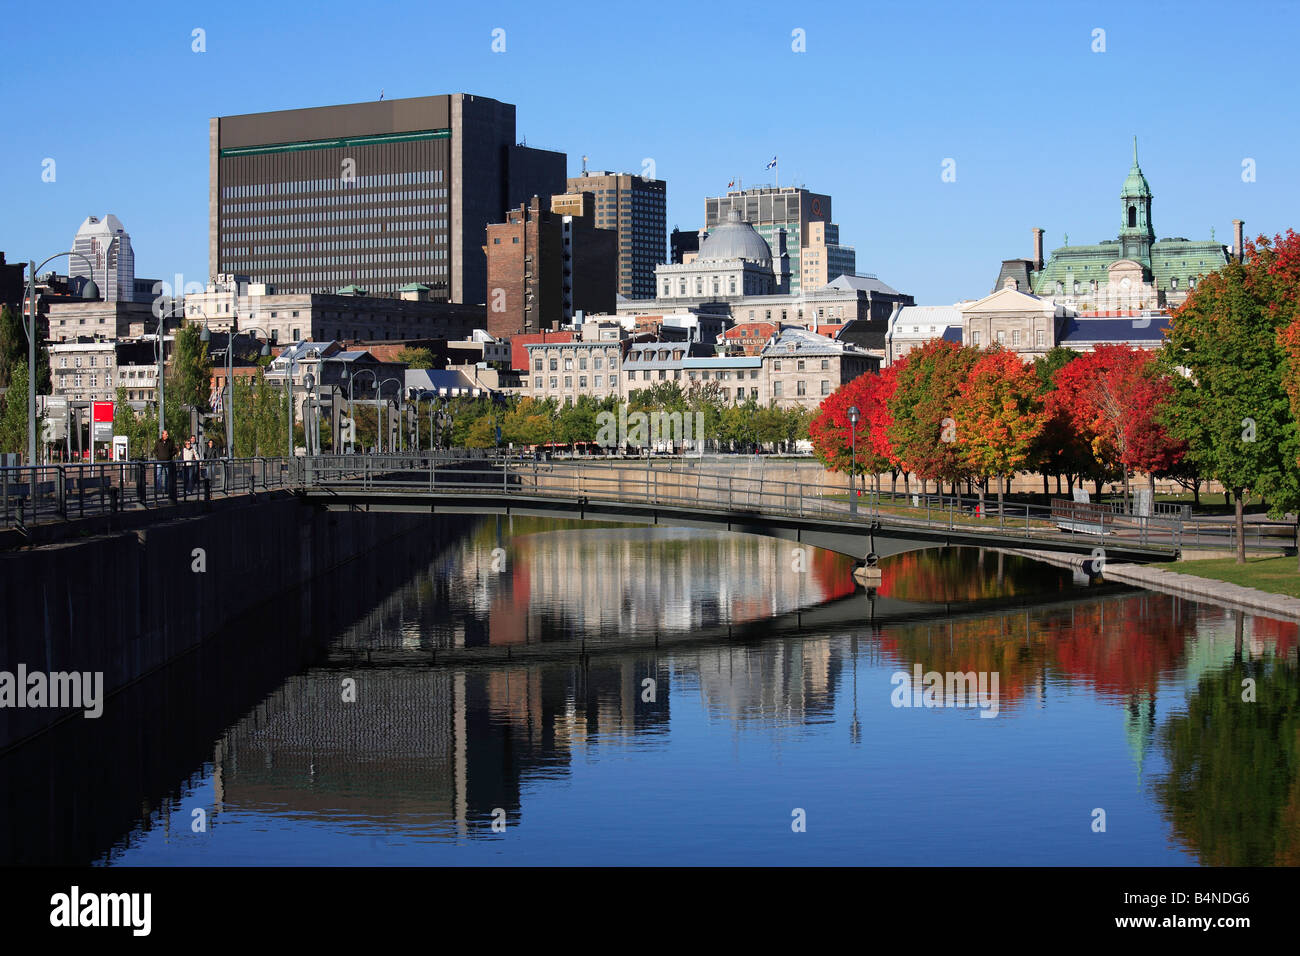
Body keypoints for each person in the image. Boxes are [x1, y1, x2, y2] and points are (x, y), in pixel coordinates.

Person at [153, 430, 177, 498]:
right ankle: (159, 489)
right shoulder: (158, 442)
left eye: (167, 434)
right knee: (158, 475)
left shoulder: (170, 441)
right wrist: (158, 455)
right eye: (165, 434)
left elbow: (174, 450)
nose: (167, 435)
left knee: (168, 476)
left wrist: (170, 455)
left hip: (167, 461)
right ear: (162, 435)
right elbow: (155, 450)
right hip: (159, 461)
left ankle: (167, 489)